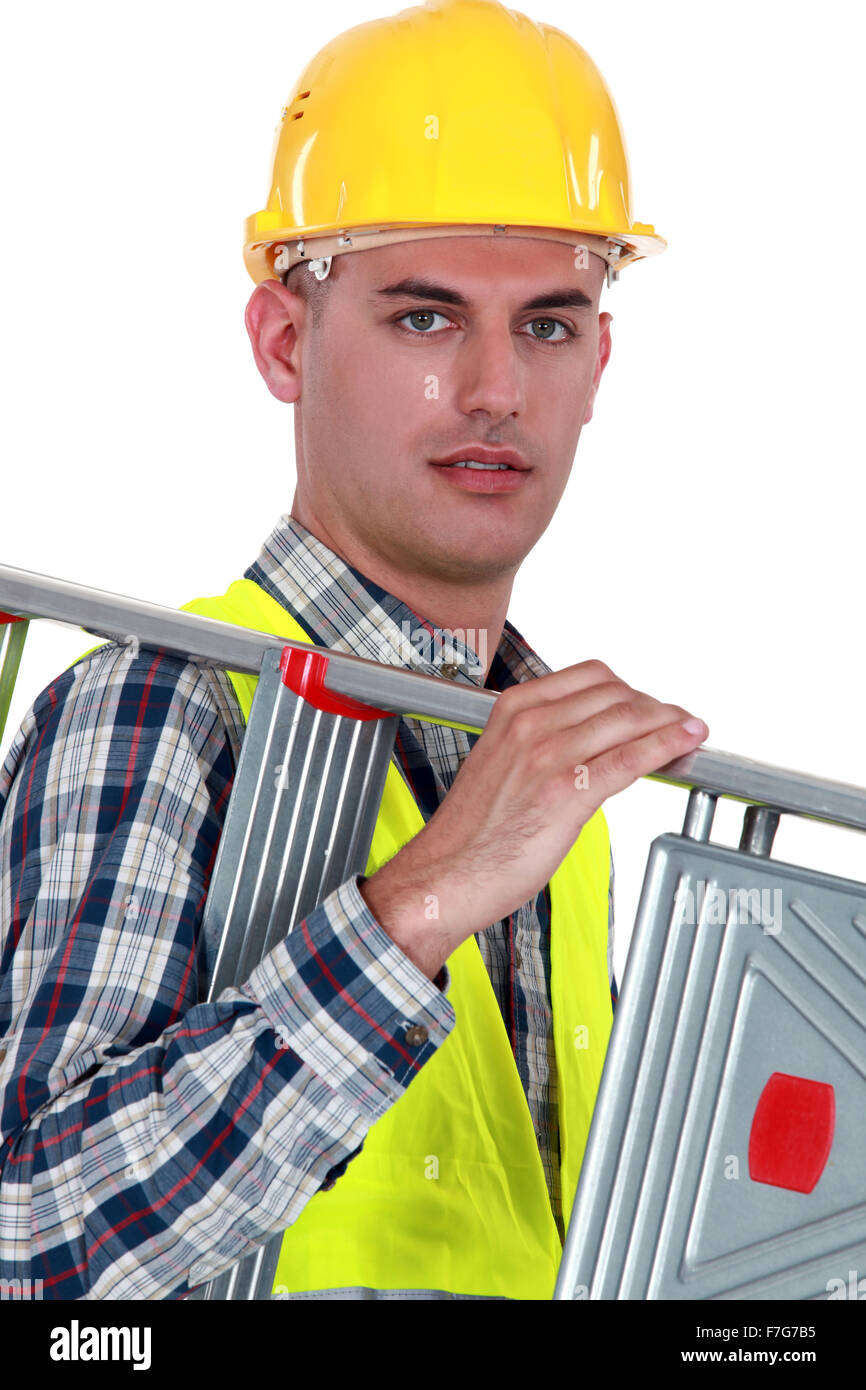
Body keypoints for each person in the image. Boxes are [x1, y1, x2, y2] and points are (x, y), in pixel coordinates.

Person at [0, 0, 707, 1300]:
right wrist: (414, 909)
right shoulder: (162, 706)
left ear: (598, 357)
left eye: (546, 323)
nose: (496, 388)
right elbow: (26, 1244)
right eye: (425, 318)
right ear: (284, 339)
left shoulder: (562, 790)